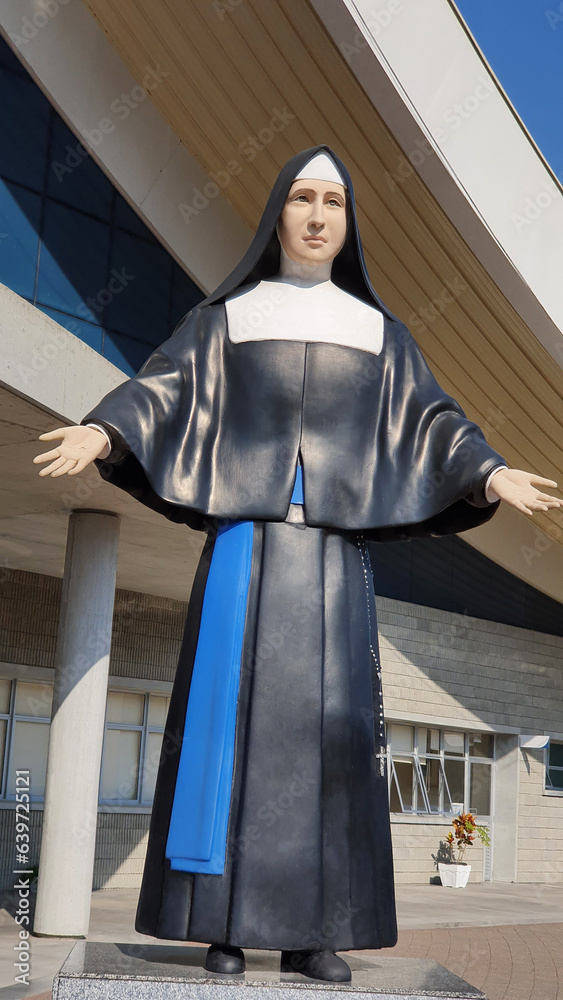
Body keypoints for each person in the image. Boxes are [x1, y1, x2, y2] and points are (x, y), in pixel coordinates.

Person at [34, 145, 561, 983]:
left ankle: (315, 931)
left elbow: (432, 422)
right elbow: (162, 389)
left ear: (349, 222)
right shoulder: (228, 319)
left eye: (334, 202)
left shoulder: (379, 334)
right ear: (277, 211)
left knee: (330, 740)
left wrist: (488, 472)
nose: (317, 216)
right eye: (303, 198)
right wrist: (104, 431)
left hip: (332, 563)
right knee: (226, 730)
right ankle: (220, 922)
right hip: (243, 555)